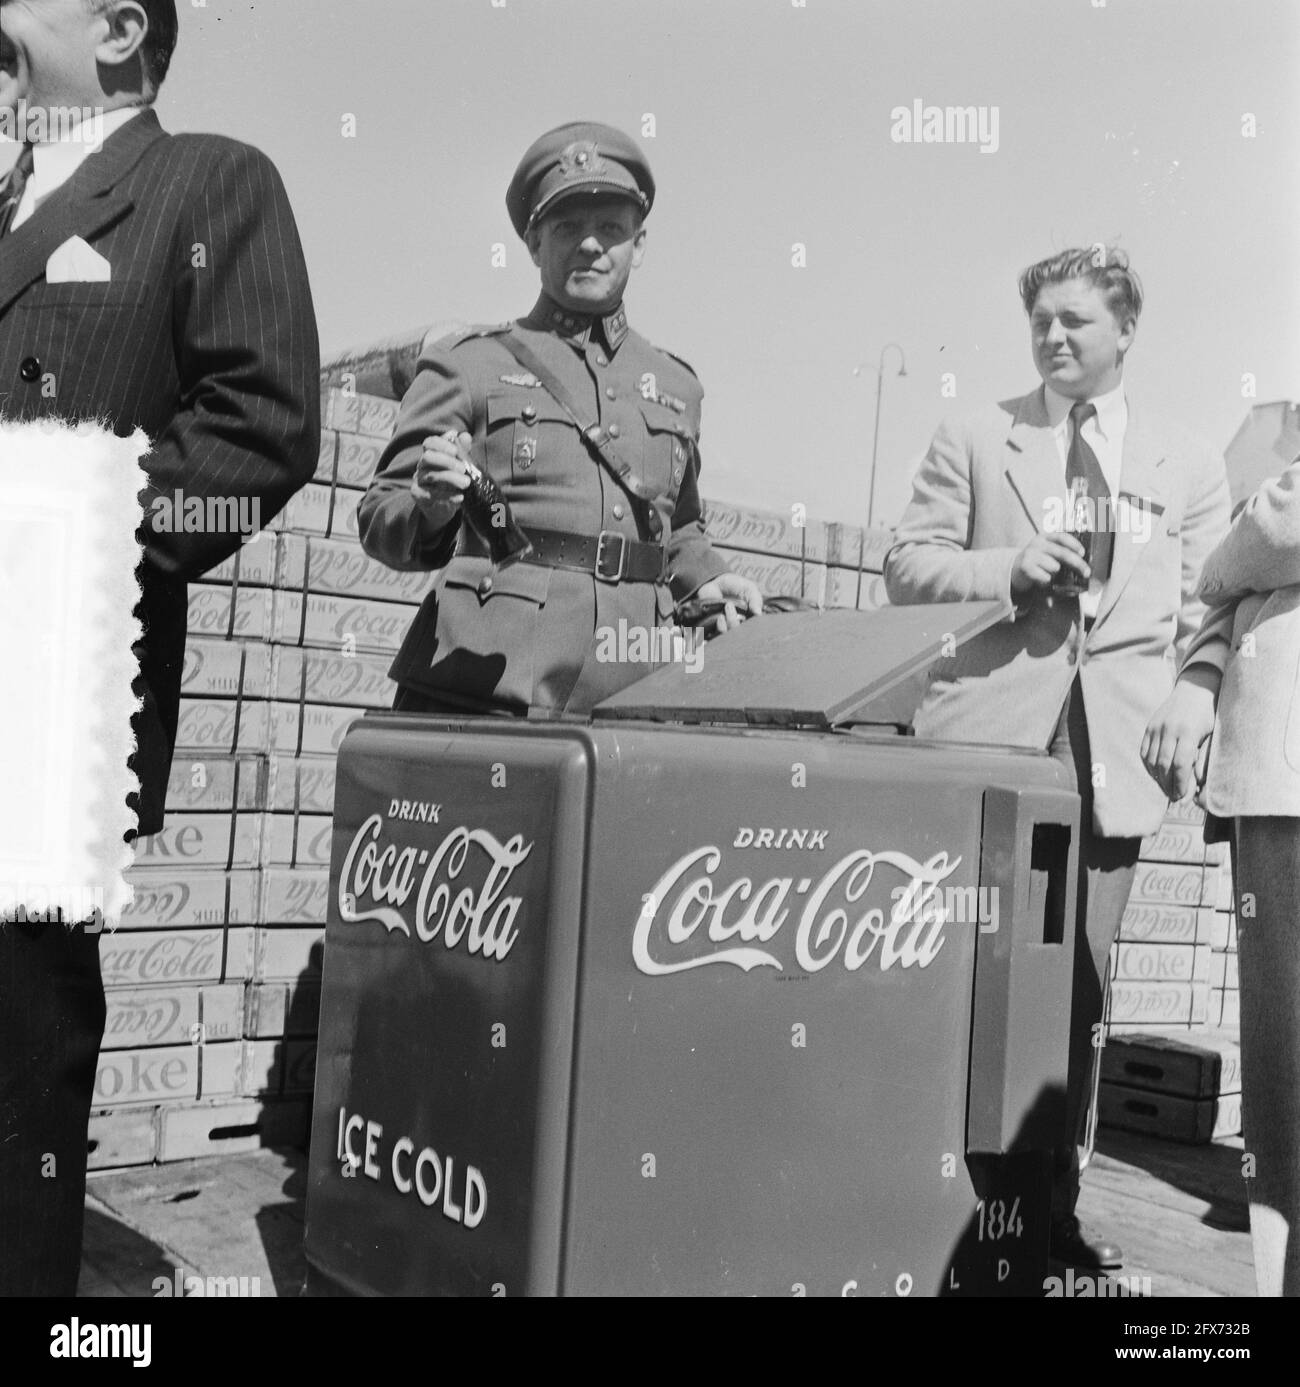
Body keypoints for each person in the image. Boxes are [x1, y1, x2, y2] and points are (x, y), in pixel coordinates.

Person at [0, 0, 320, 1294]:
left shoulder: (209, 180)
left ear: (121, 27)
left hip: (49, 683)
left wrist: (55, 524)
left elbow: (264, 423)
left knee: (14, 1046)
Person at [883, 246, 1231, 1270]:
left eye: (1075, 321)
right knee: (958, 970)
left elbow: (1210, 607)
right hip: (991, 741)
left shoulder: (1184, 459)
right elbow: (906, 564)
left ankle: (1050, 1214)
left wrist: (1190, 690)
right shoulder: (977, 436)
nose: (1052, 337)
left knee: (1076, 985)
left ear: (1126, 330)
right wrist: (1007, 565)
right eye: (1040, 321)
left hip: (1112, 753)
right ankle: (928, 1194)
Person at [359, 121, 762, 718]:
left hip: (635, 682)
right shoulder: (468, 364)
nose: (591, 244)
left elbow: (678, 527)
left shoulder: (679, 385)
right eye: (568, 227)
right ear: (532, 242)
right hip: (490, 681)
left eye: (611, 228)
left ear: (639, 244)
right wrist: (428, 509)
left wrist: (705, 578)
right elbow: (379, 514)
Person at [1143, 457, 1300, 1297]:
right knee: (1279, 1083)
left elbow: (1273, 528)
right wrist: (1201, 675)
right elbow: (1239, 596)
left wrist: (1224, 557)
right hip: (1276, 790)